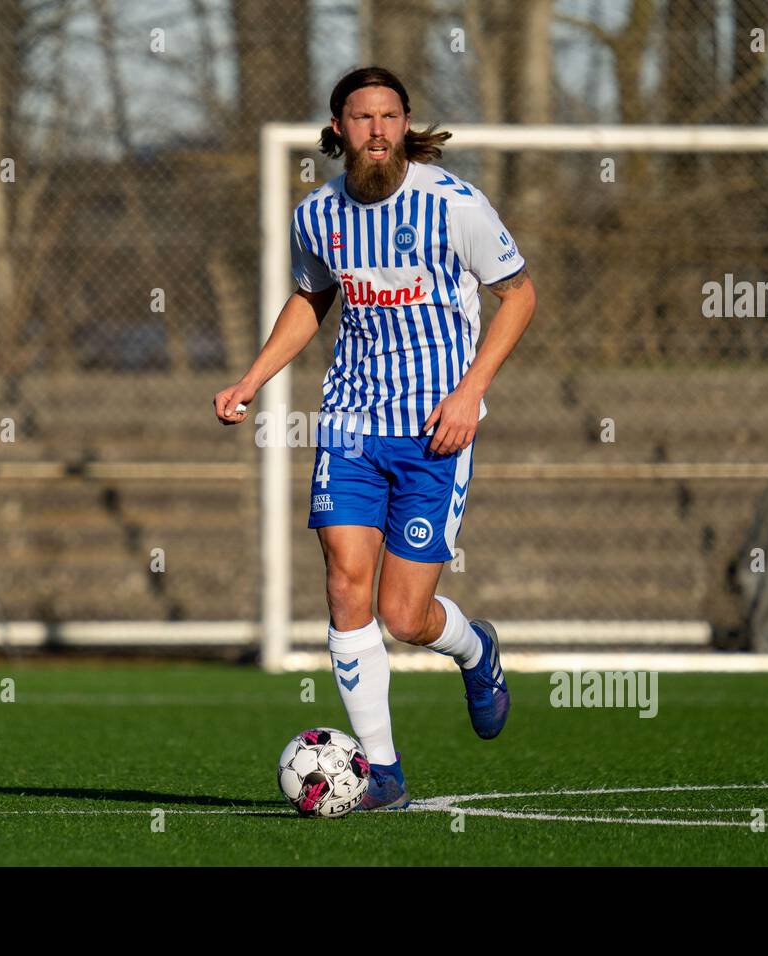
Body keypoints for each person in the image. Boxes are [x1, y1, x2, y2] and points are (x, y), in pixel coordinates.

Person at [213, 66, 537, 810]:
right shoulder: (318, 216)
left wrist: (471, 391)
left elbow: (519, 296)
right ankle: (383, 774)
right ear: (338, 131)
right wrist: (250, 380)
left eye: (390, 115)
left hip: (436, 430)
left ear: (406, 122)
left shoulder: (454, 206)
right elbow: (310, 300)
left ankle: (475, 648)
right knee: (342, 584)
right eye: (362, 118)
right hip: (352, 424)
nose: (378, 129)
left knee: (405, 616)